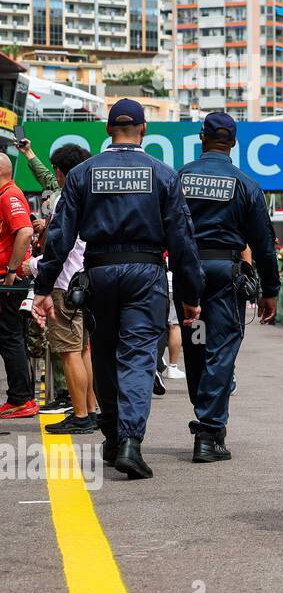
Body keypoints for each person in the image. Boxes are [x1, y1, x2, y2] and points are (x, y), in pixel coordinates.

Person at [32, 99, 204, 479]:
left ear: (108, 130)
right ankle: (129, 442)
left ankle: (111, 434)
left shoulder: (81, 174)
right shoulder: (163, 175)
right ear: (144, 130)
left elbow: (59, 237)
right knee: (139, 356)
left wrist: (44, 286)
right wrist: (191, 296)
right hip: (146, 272)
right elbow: (182, 240)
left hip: (99, 271)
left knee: (105, 354)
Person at [178, 112, 281, 462]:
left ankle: (206, 412)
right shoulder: (246, 185)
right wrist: (270, 290)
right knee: (220, 350)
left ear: (202, 138)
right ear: (233, 143)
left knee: (196, 343)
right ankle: (208, 432)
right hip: (225, 275)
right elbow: (264, 244)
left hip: (188, 273)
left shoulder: (179, 178)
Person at [29, 144, 99, 435]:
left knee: (69, 352)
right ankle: (91, 411)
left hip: (64, 283)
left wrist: (34, 267)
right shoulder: (93, 196)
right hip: (86, 281)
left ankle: (80, 415)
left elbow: (59, 246)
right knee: (84, 350)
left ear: (60, 172)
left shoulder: (65, 199)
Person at [0, 152, 36, 419]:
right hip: (10, 278)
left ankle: (20, 399)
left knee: (10, 338)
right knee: (13, 339)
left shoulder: (8, 195)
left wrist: (11, 271)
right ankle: (22, 397)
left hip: (9, 280)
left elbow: (25, 231)